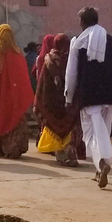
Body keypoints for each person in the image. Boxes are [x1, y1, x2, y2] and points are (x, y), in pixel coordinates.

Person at [66, 7, 112, 188]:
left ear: (82, 22)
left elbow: (71, 72)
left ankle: (102, 164)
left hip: (89, 95)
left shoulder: (77, 42)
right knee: (103, 132)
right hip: (109, 94)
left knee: (91, 134)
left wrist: (68, 97)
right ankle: (100, 168)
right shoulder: (111, 41)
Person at [0, 24, 35, 158]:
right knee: (12, 119)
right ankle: (12, 148)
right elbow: (23, 76)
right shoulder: (17, 52)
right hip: (12, 95)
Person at [35, 33, 80, 167]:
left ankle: (62, 154)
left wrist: (39, 100)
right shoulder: (72, 60)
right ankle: (68, 154)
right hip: (68, 101)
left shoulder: (48, 59)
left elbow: (43, 82)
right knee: (68, 127)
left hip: (52, 101)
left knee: (55, 127)